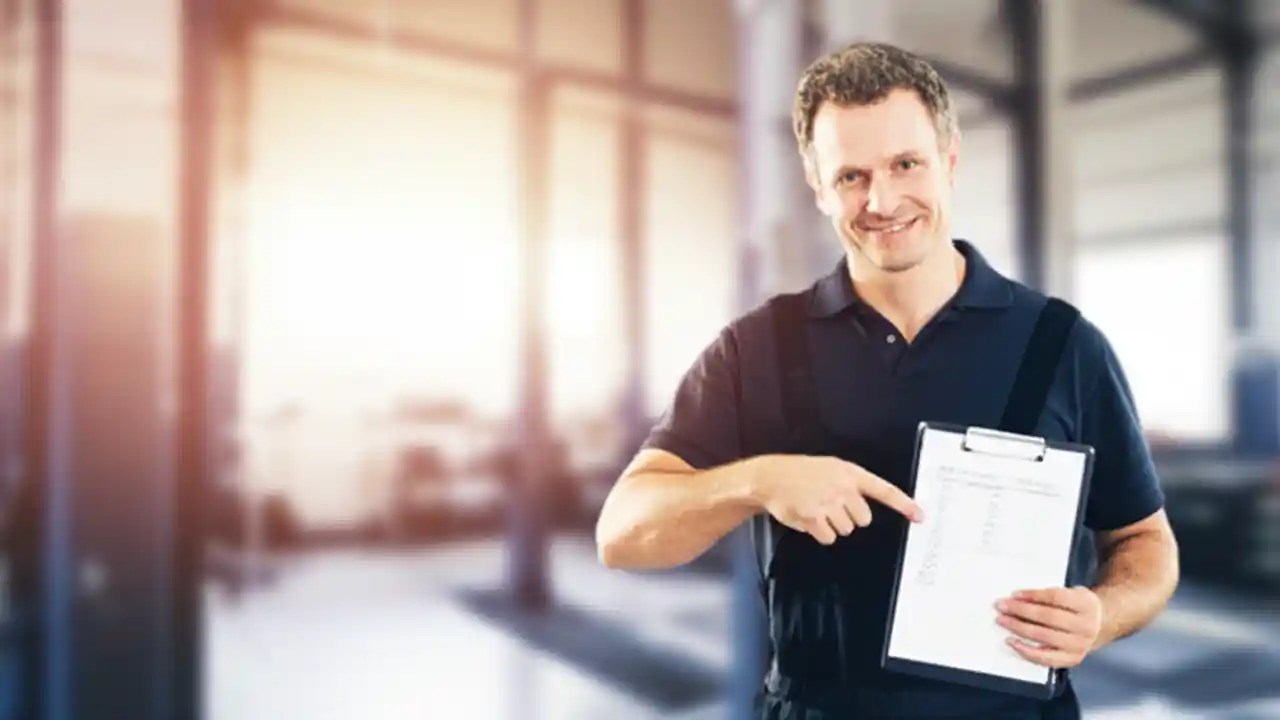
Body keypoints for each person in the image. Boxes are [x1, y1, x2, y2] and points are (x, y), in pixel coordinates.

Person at [594, 42, 1180, 719]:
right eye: (851, 176)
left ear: (949, 161)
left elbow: (1145, 542)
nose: (882, 200)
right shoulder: (758, 349)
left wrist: (1103, 613)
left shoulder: (1062, 346)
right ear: (818, 187)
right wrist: (760, 481)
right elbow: (622, 532)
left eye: (906, 164)